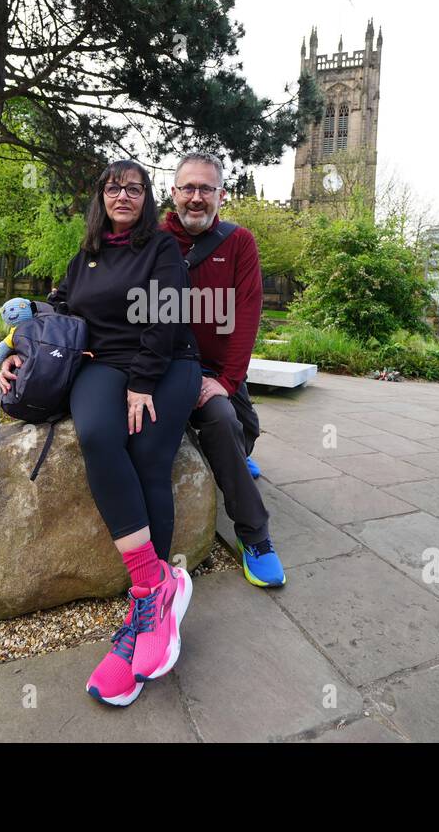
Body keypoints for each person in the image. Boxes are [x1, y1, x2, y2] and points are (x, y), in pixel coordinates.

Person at [0, 160, 200, 708]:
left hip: (167, 363)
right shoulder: (83, 256)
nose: (123, 195)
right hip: (103, 364)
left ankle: (145, 614)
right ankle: (154, 585)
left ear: (147, 199)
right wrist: (16, 351)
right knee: (95, 433)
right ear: (101, 197)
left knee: (149, 456)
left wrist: (143, 383)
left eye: (134, 188)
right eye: (114, 187)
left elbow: (168, 315)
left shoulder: (160, 248)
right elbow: (57, 311)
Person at [161, 151, 285, 588]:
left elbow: (247, 315)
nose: (197, 197)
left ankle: (251, 518)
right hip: (165, 368)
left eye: (206, 189)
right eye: (188, 188)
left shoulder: (239, 242)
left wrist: (226, 382)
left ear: (221, 195)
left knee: (233, 428)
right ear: (173, 193)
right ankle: (252, 536)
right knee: (217, 426)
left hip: (216, 369)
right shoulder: (150, 239)